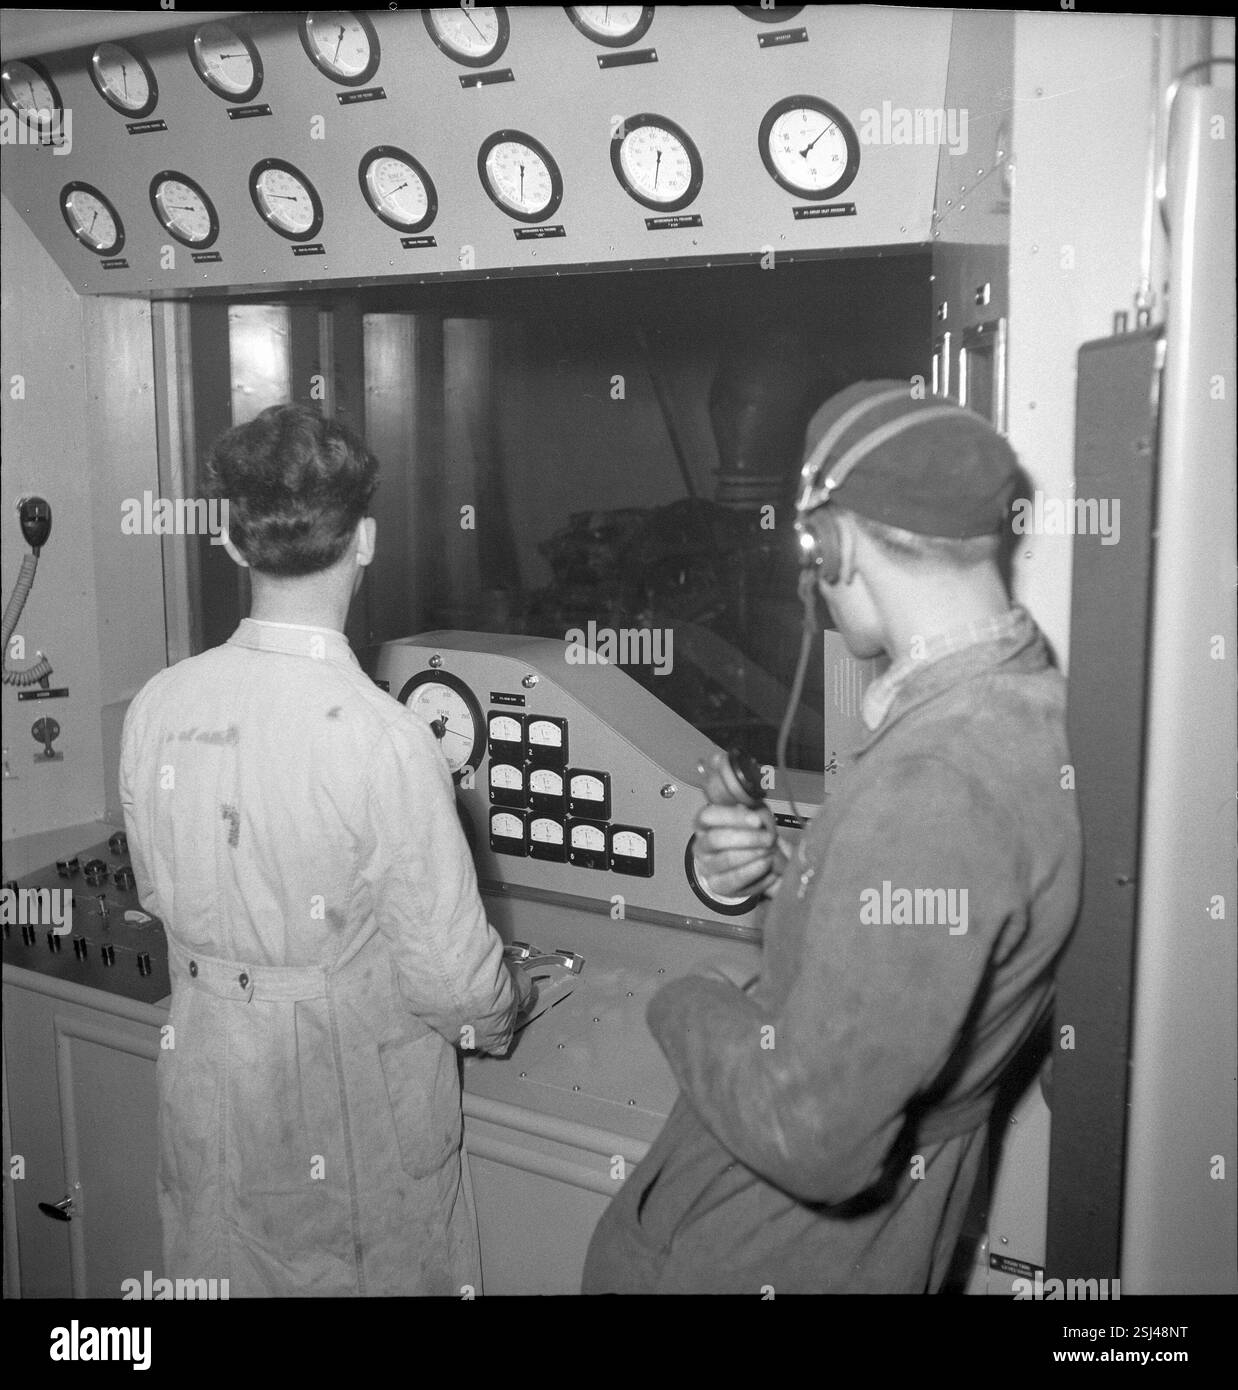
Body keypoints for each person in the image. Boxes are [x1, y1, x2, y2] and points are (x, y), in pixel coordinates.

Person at [582, 380, 1083, 1294]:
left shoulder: (936, 780)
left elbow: (811, 1138)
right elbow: (928, 934)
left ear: (831, 540)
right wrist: (792, 876)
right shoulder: (1036, 711)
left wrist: (686, 998)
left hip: (765, 1245)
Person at [120, 403, 531, 1296]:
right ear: (368, 540)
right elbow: (458, 989)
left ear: (232, 544)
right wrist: (508, 1012)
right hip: (344, 1110)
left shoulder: (159, 704)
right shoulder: (384, 739)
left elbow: (159, 892)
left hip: (208, 1081)